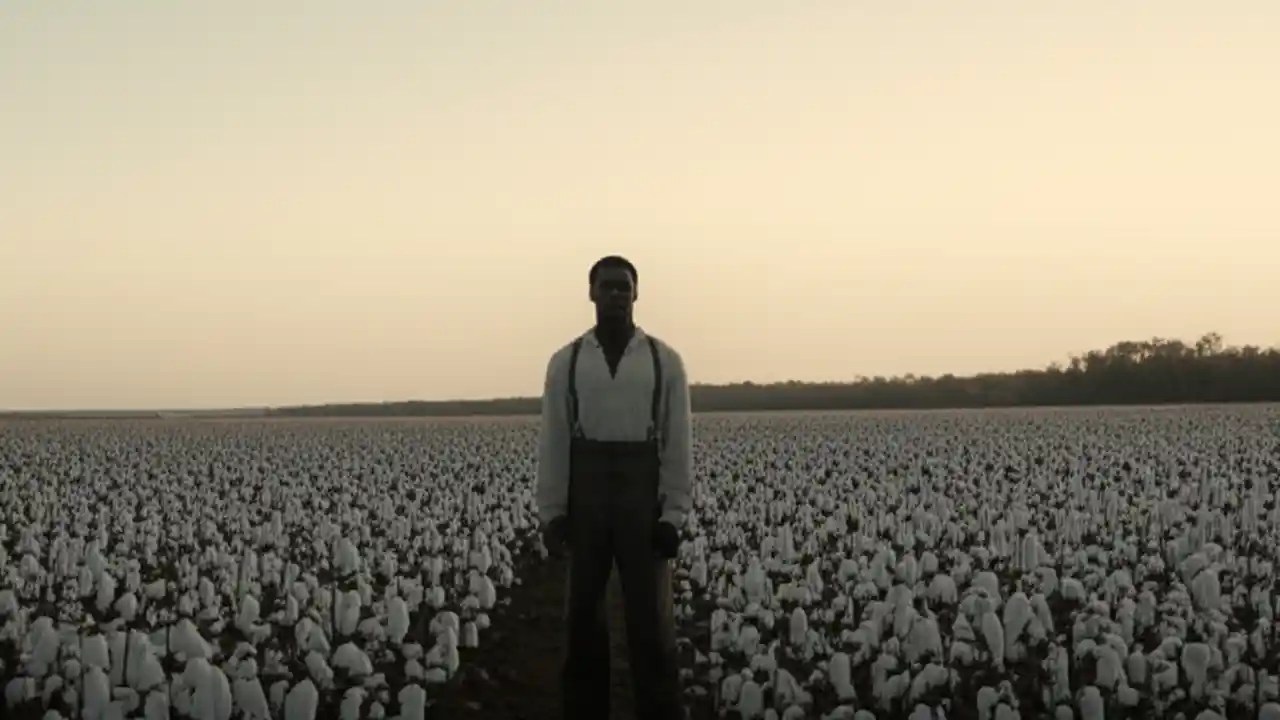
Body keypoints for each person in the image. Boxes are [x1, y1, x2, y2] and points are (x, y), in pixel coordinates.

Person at [536, 255, 692, 719]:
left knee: (652, 625)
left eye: (624, 287)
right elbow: (555, 438)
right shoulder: (567, 362)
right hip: (586, 501)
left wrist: (673, 514)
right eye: (607, 287)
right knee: (582, 621)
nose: (616, 295)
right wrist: (552, 511)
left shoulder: (665, 362)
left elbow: (677, 439)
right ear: (591, 293)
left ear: (637, 294)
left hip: (641, 502)